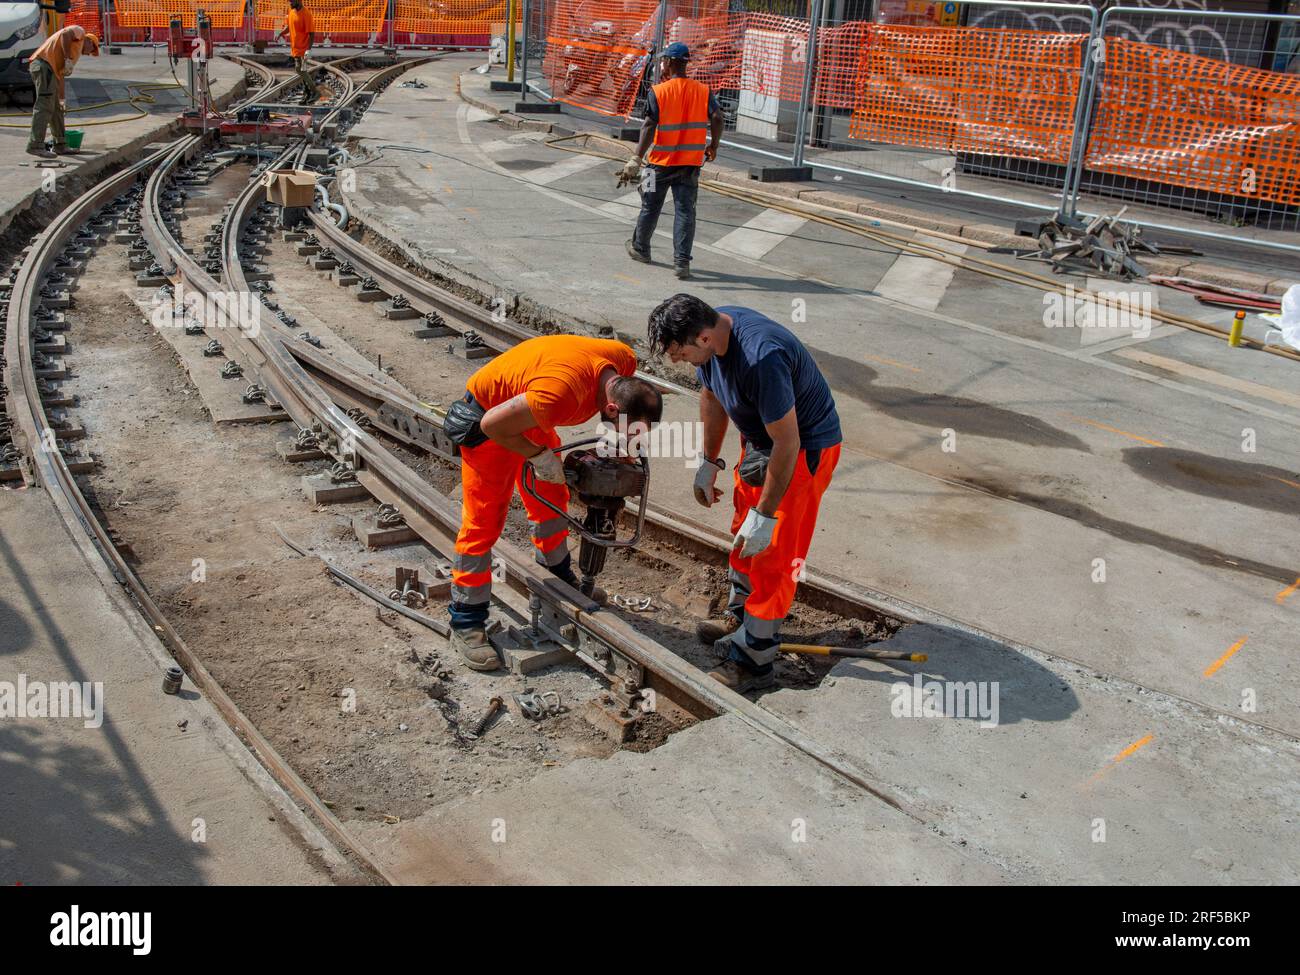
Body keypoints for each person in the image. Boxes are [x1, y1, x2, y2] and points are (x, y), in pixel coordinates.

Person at [647, 294, 841, 693]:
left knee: (775, 553)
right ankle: (740, 616)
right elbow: (713, 396)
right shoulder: (714, 335)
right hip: (760, 443)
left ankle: (755, 661)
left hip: (802, 452)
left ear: (702, 338)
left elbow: (788, 443)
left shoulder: (760, 357)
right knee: (742, 527)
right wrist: (709, 460)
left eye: (680, 353)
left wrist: (768, 515)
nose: (677, 361)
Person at [443, 335, 663, 671]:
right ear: (613, 407)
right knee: (483, 522)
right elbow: (494, 425)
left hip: (528, 414)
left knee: (552, 501)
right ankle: (465, 621)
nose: (631, 440)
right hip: (490, 425)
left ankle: (558, 579)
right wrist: (538, 457)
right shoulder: (559, 395)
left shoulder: (623, 361)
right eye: (629, 431)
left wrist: (623, 450)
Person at [621, 42, 724, 281]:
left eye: (664, 60)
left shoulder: (658, 91)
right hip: (690, 164)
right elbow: (718, 117)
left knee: (649, 205)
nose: (662, 64)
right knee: (686, 212)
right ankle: (681, 263)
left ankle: (640, 248)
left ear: (671, 62)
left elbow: (648, 126)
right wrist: (714, 146)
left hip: (657, 164)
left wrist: (636, 158)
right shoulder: (703, 91)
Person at [27, 25, 99, 159]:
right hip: (43, 65)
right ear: (89, 41)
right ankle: (35, 145)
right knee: (44, 106)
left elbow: (60, 77)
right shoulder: (80, 32)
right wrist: (67, 58)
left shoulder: (74, 51)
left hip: (50, 70)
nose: (89, 53)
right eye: (92, 49)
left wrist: (62, 99)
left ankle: (60, 145)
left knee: (56, 110)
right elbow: (65, 34)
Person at [278, 0, 319, 104]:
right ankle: (307, 95)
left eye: (292, 1)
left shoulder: (306, 14)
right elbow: (289, 26)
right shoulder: (291, 11)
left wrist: (308, 50)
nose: (290, 3)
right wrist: (281, 33)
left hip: (304, 49)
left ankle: (315, 92)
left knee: (300, 69)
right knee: (302, 71)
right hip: (295, 49)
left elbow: (312, 34)